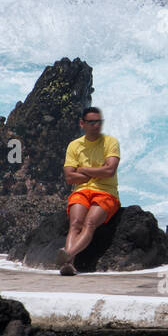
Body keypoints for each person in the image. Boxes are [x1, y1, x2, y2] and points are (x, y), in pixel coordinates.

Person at [59, 106, 120, 276]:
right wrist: (95, 171)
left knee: (90, 223)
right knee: (75, 223)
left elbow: (110, 171)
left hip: (106, 192)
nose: (96, 126)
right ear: (82, 123)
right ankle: (68, 265)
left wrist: (84, 170)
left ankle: (67, 256)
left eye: (99, 122)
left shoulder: (110, 142)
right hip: (82, 191)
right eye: (92, 122)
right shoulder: (74, 145)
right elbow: (70, 177)